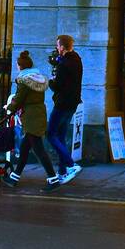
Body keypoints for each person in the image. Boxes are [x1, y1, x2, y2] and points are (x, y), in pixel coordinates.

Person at [4, 52, 60, 189]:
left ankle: (53, 179)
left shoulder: (24, 81)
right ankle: (14, 177)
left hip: (30, 117)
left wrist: (9, 107)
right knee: (24, 148)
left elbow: (19, 98)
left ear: (20, 66)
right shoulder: (36, 78)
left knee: (39, 150)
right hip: (38, 114)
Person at [47, 34, 83, 184]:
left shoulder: (63, 65)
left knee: (50, 134)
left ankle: (71, 164)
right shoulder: (77, 60)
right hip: (73, 103)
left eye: (57, 46)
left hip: (62, 104)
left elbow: (57, 86)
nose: (57, 48)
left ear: (62, 47)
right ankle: (62, 171)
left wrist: (50, 81)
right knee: (61, 136)